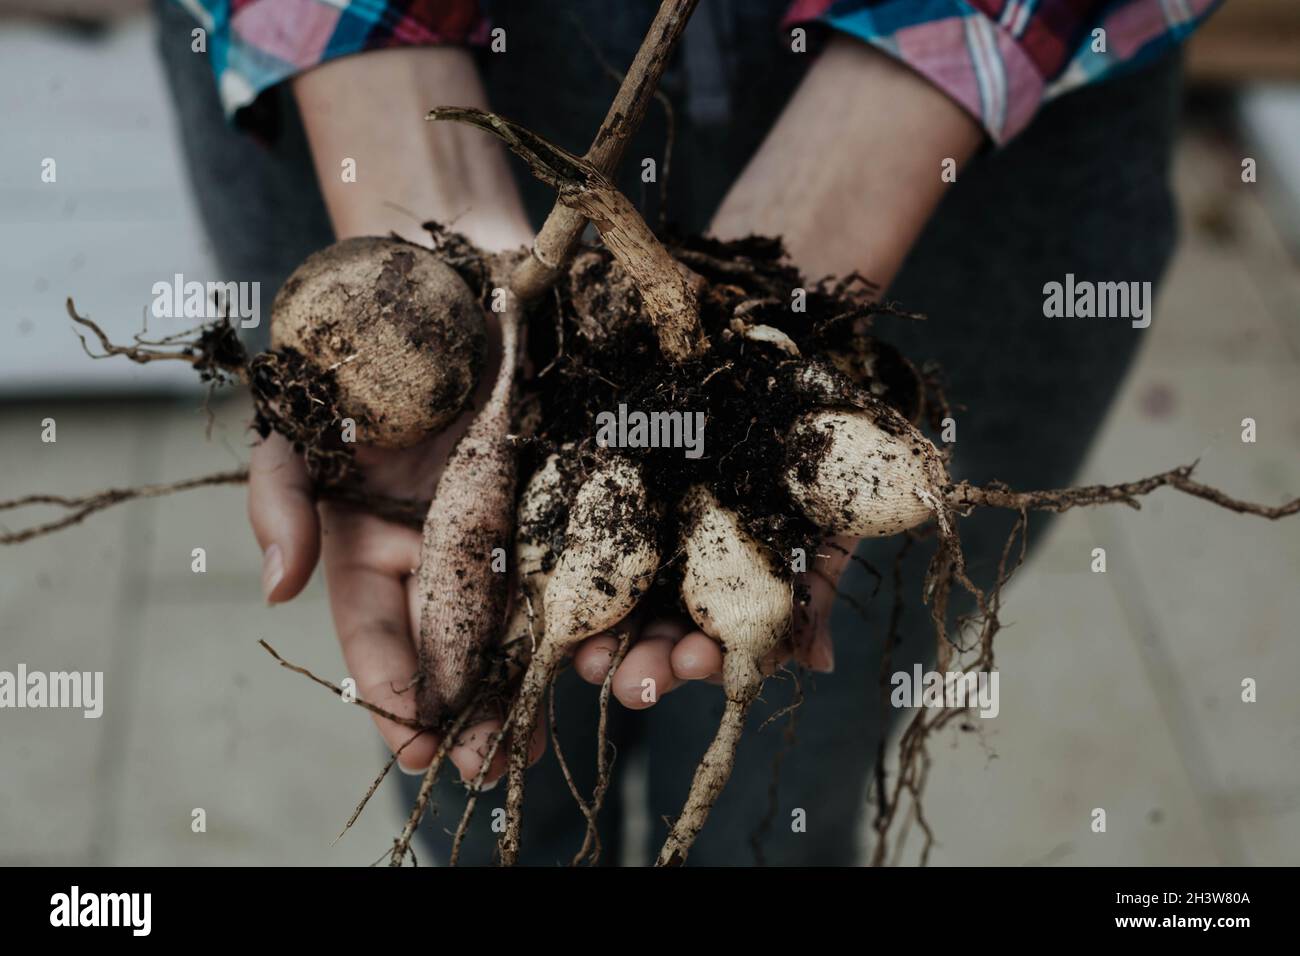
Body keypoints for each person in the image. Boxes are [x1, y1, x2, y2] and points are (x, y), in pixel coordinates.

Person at [157, 0, 1219, 864]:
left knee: (789, 775)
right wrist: (394, 118)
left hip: (980, 132)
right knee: (476, 768)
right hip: (357, 74)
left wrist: (883, 120)